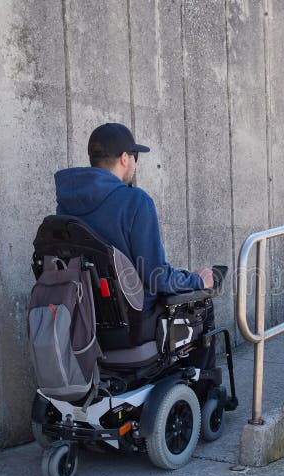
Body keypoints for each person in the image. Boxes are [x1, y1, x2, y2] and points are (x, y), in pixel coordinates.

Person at [54, 123, 217, 368]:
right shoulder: (135, 201)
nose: (135, 163)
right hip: (134, 324)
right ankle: (202, 393)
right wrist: (197, 282)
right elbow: (156, 277)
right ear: (123, 158)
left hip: (83, 320)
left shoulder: (65, 207)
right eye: (135, 156)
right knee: (203, 304)